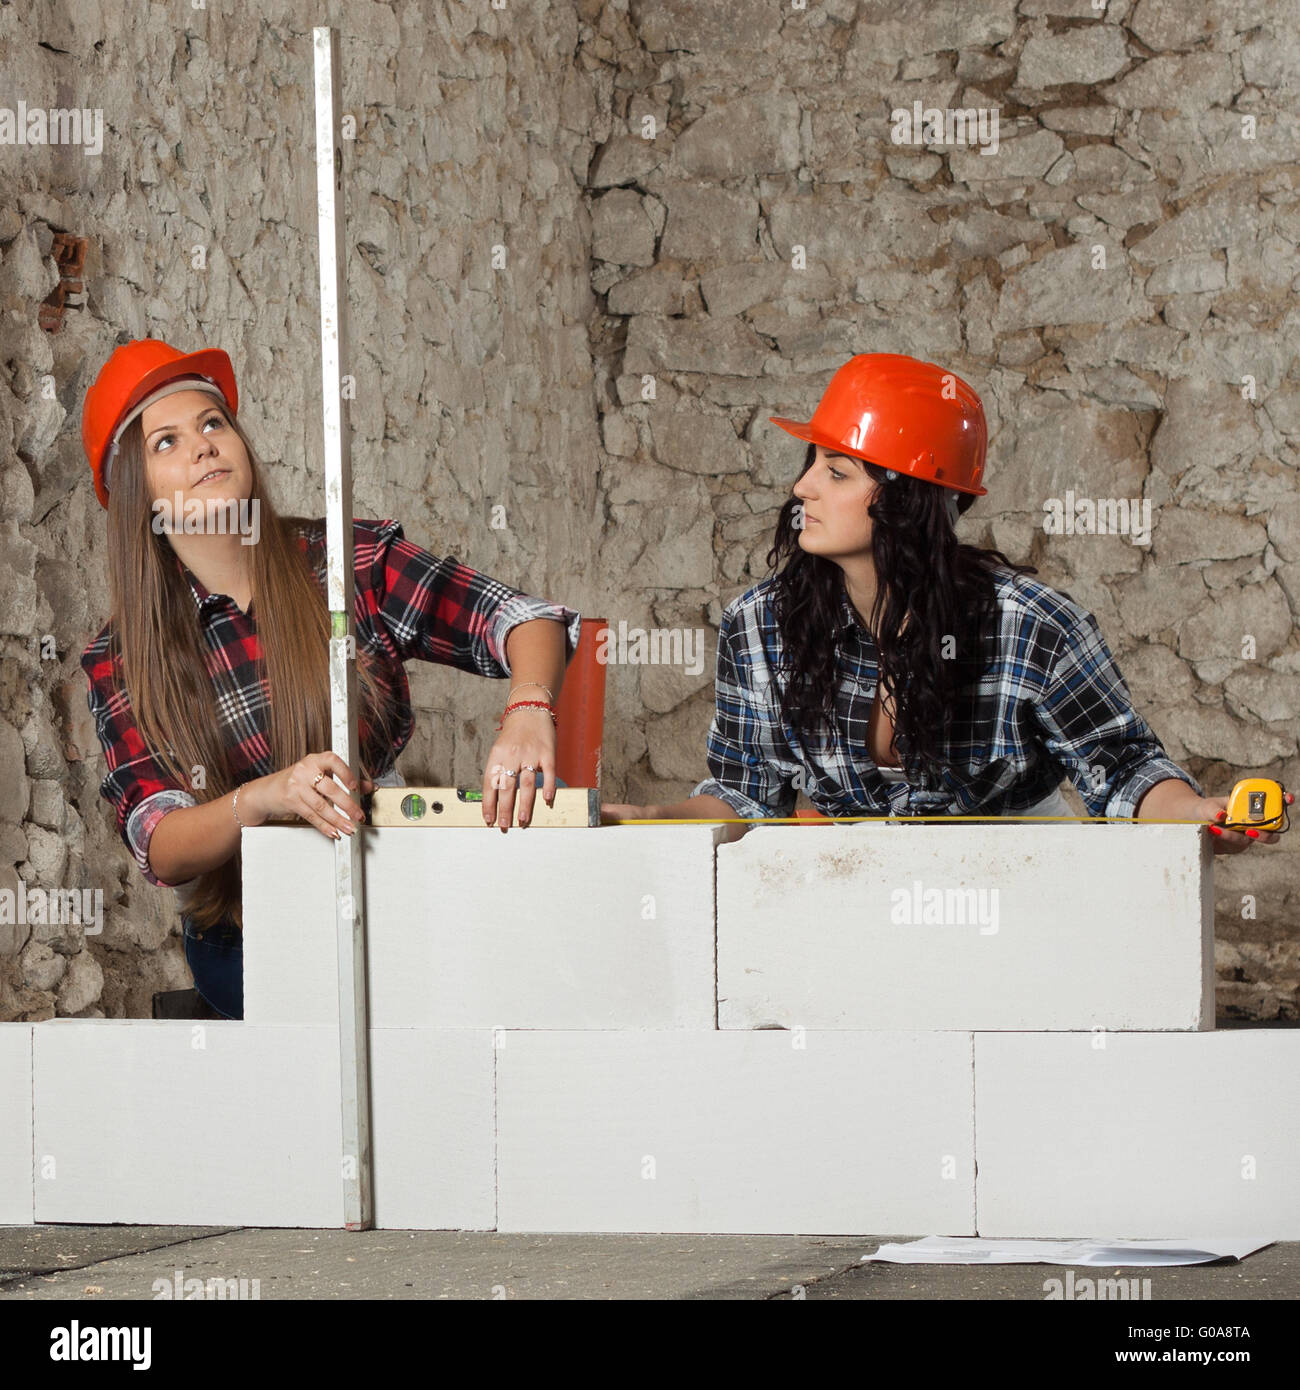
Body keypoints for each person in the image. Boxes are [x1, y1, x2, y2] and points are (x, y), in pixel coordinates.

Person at [603, 352, 1288, 853]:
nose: (802, 489)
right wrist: (645, 819)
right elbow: (747, 796)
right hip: (856, 891)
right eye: (810, 463)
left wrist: (1203, 813)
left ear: (906, 501)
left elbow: (1125, 771)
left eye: (836, 471)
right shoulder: (760, 625)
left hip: (1030, 889)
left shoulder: (1032, 626)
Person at [80, 339, 580, 1019]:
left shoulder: (347, 564)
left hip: (393, 897)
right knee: (328, 1047)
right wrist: (263, 797)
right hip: (248, 941)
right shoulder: (120, 658)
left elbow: (523, 619)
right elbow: (159, 842)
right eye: (166, 441)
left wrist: (528, 707)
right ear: (142, 497)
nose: (202, 446)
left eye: (212, 423)